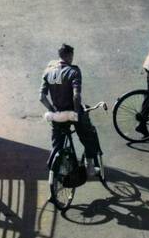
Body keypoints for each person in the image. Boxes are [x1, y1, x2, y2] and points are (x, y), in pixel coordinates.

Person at [39, 44, 102, 176]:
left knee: (57, 143)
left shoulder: (48, 70)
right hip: (71, 113)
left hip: (57, 114)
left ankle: (56, 164)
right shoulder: (74, 71)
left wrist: (52, 109)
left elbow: (42, 97)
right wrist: (76, 112)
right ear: (69, 56)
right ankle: (90, 167)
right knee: (88, 137)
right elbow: (76, 96)